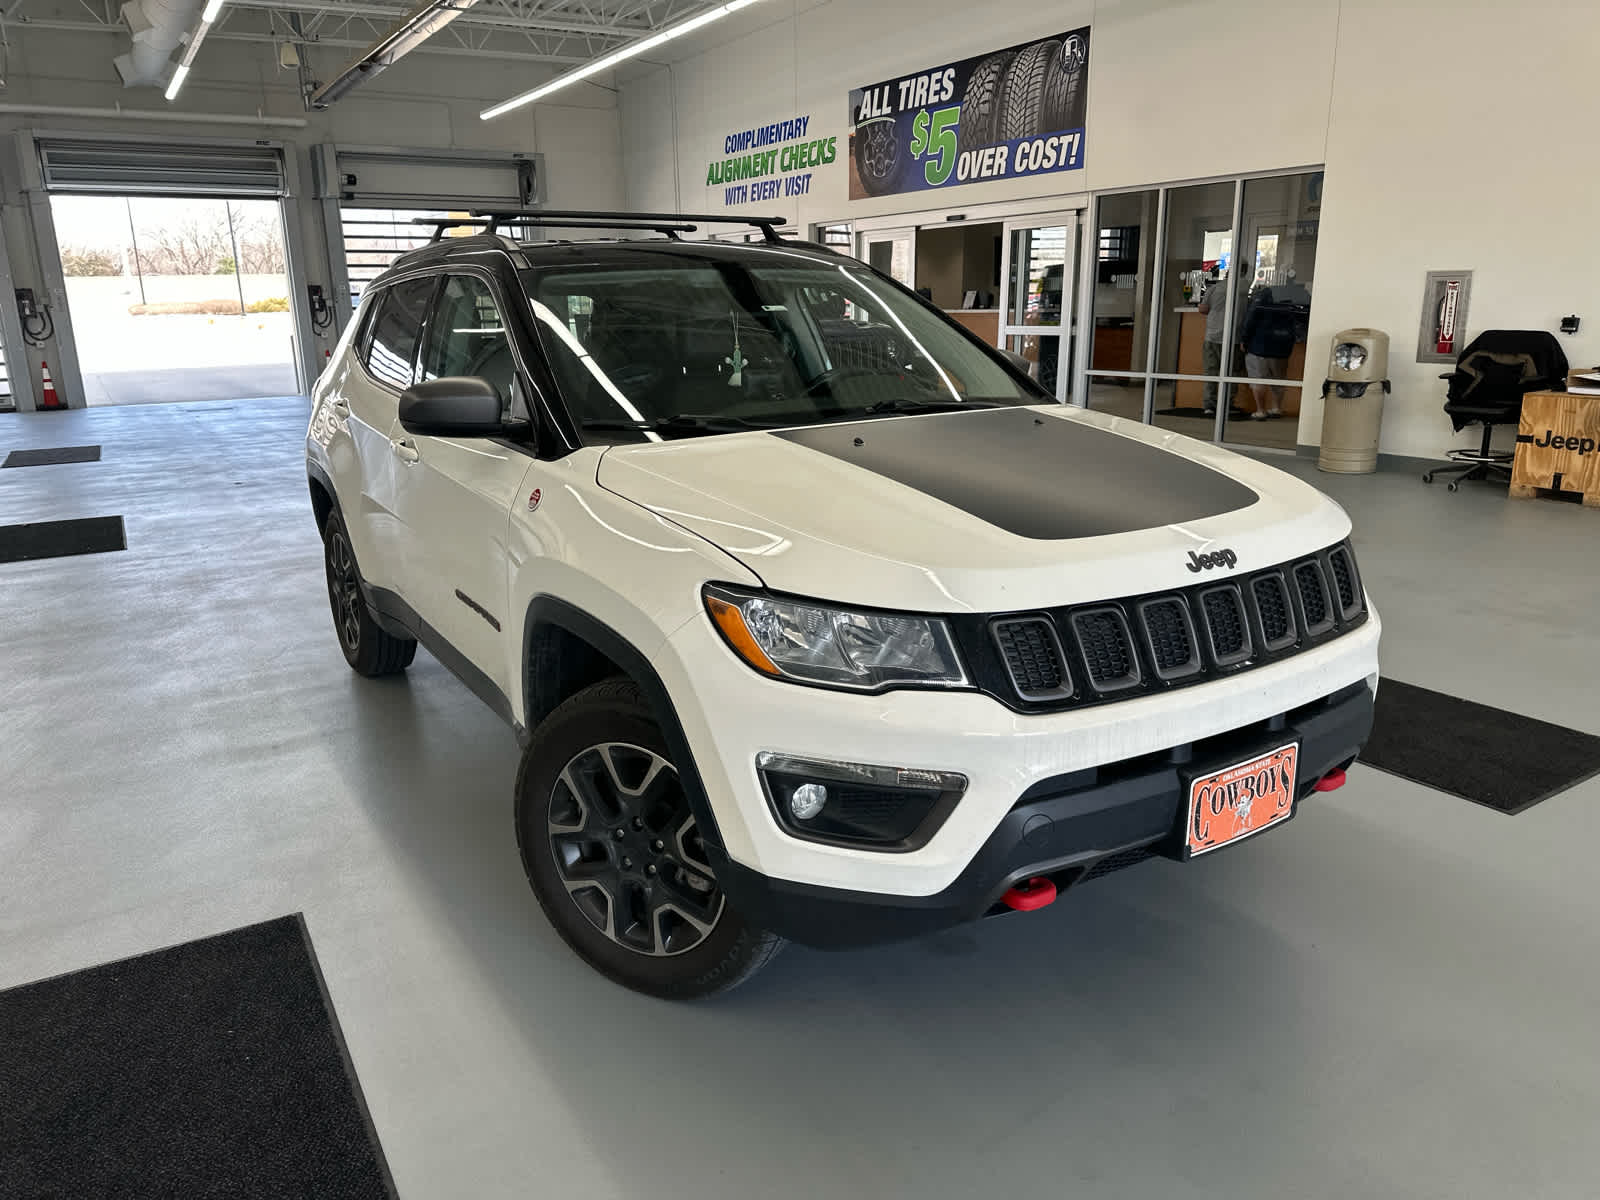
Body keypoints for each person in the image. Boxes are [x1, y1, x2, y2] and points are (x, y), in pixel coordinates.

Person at [1238, 278, 1310, 419]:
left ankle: (1261, 410)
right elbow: (1305, 318)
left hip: (1260, 344)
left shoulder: (1265, 293)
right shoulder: (1300, 294)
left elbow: (1252, 317)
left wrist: (1244, 339)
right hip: (1283, 344)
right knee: (1279, 378)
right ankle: (1276, 407)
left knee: (1258, 378)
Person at [1197, 272, 1227, 414]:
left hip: (1213, 335)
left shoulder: (1215, 288)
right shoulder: (1244, 288)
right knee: (1231, 372)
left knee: (1211, 370)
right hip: (1234, 337)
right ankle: (1228, 404)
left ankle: (1209, 405)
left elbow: (1203, 308)